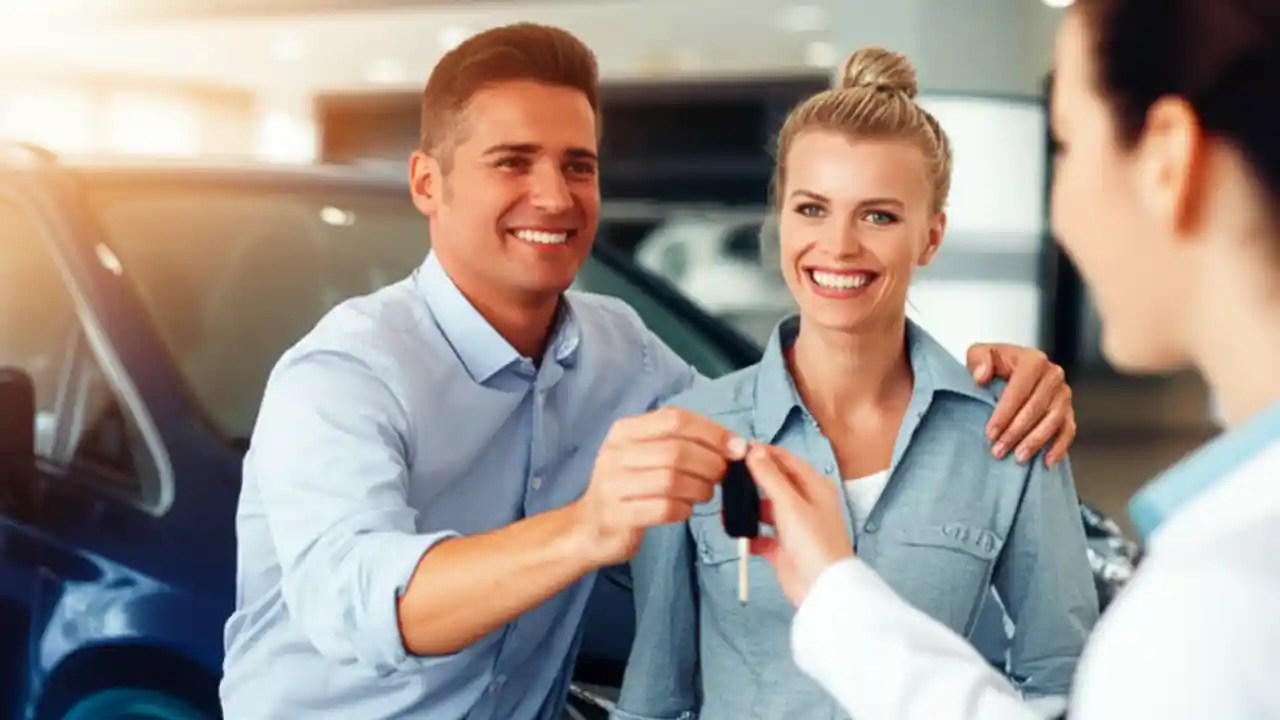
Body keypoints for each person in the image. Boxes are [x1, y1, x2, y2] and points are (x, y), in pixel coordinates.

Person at [219, 22, 1082, 720]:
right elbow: (361, 605)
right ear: (426, 182)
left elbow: (773, 407)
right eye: (512, 162)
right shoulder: (342, 378)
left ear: (931, 233)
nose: (555, 197)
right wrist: (590, 527)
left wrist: (1012, 375)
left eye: (578, 165)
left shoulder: (624, 354)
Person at [741, 0, 1280, 717]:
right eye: (811, 208)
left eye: (1066, 146)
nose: (1061, 212)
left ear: (1166, 161)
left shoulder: (1213, 609)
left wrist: (836, 597)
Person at [611, 48, 1098, 720]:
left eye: (878, 216)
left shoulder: (1007, 430)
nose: (838, 246)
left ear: (930, 237)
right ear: (779, 218)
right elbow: (655, 698)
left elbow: (1061, 681)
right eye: (812, 209)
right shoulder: (698, 430)